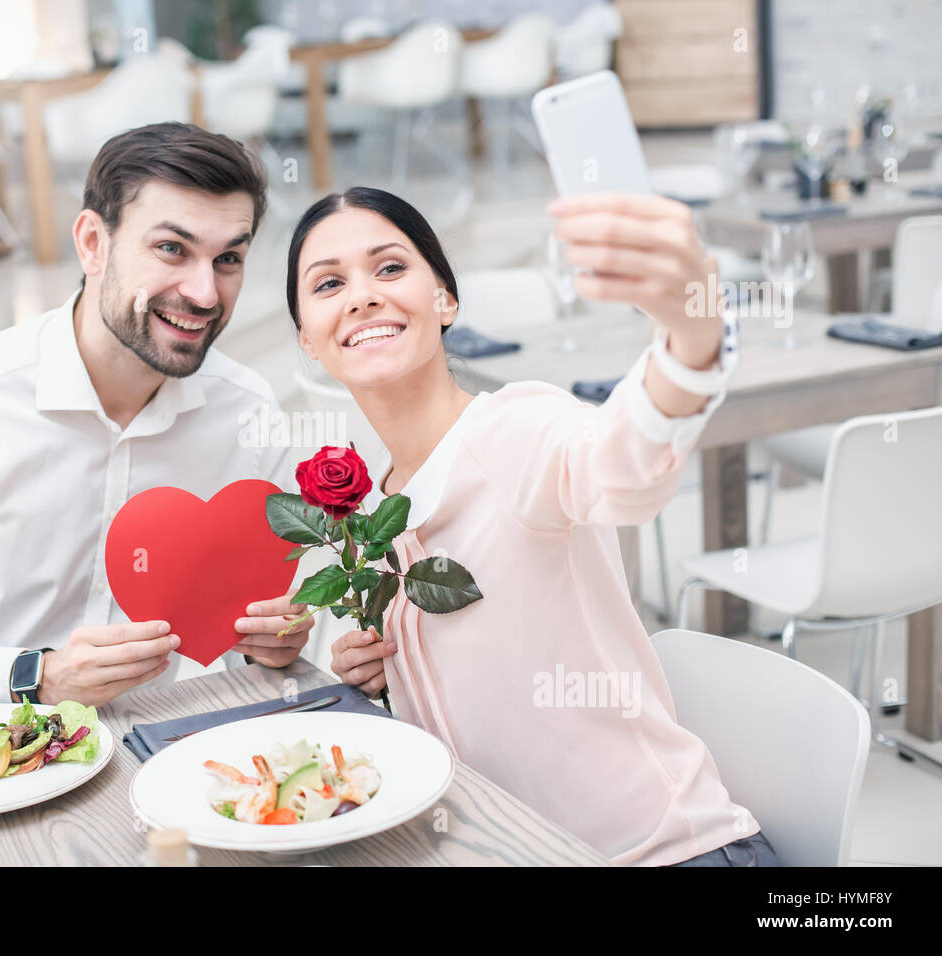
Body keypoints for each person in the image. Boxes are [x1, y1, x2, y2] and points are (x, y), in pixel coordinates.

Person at [288, 185, 776, 867]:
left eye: (391, 268)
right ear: (309, 340)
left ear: (445, 300)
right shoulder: (377, 519)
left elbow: (623, 464)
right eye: (330, 282)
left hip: (665, 855)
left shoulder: (516, 429)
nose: (363, 295)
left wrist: (691, 339)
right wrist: (379, 677)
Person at [0, 123, 311, 724]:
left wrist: (277, 645)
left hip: (154, 757)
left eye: (228, 258)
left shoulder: (247, 414)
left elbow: (267, 629)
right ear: (93, 244)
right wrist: (37, 678)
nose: (204, 293)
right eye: (172, 249)